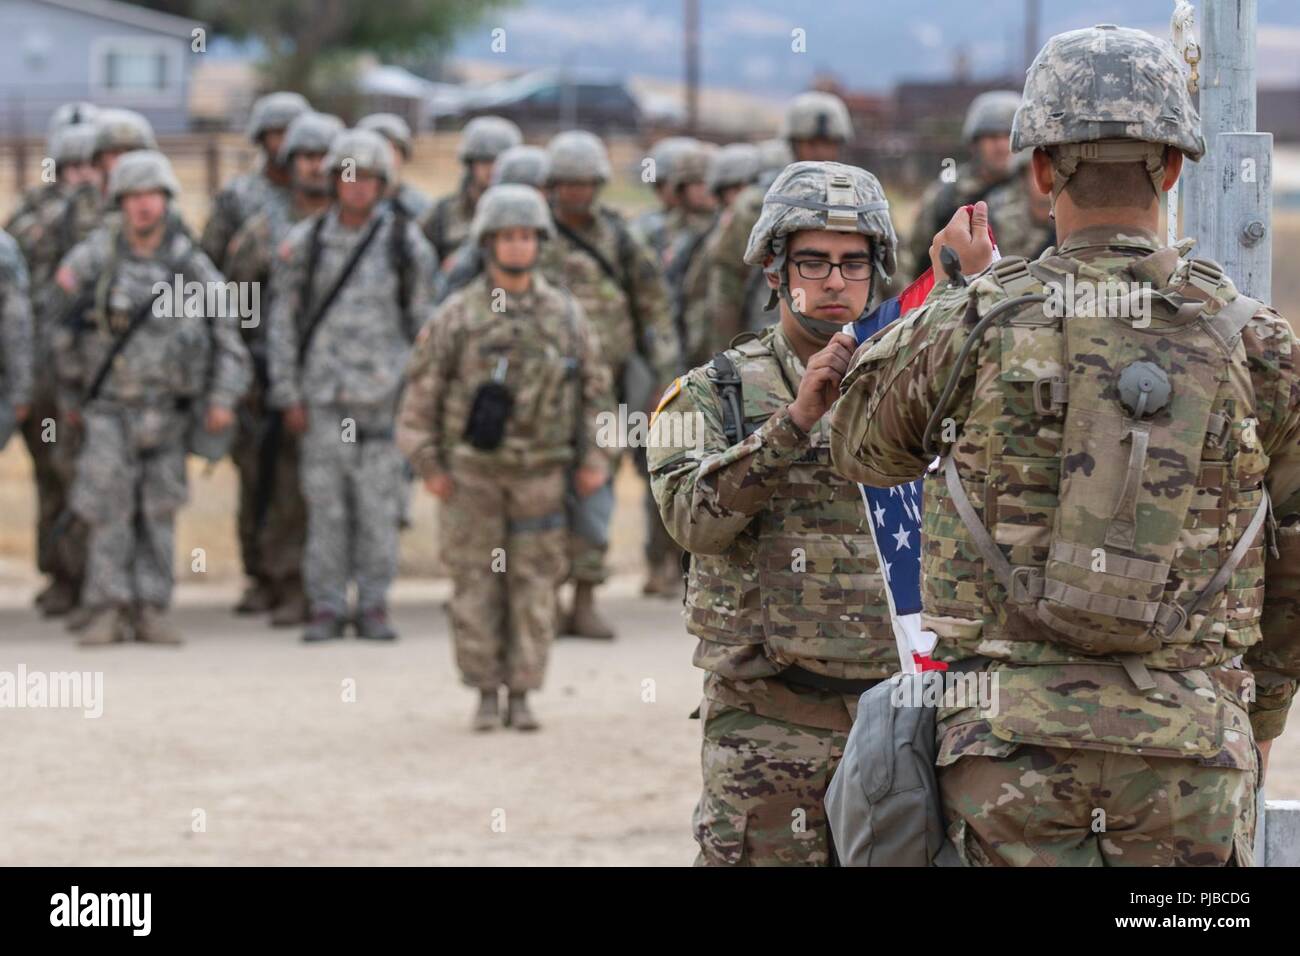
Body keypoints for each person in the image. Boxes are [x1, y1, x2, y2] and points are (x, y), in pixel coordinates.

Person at [830, 24, 1300, 866]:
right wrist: (1255, 720)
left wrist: (952, 295)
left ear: (1042, 172)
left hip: (1004, 753)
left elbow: (862, 448)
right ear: (1173, 167)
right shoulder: (1259, 344)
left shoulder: (974, 323)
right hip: (1193, 751)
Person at [648, 161, 902, 865]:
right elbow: (689, 521)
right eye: (812, 261)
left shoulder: (918, 383)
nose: (833, 282)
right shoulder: (704, 395)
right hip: (768, 723)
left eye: (854, 264)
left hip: (895, 716)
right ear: (773, 269)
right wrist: (791, 424)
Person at [398, 184, 614, 730]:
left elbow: (596, 391)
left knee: (535, 585)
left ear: (539, 243)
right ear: (487, 242)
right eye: (506, 237)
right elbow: (422, 392)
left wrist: (595, 458)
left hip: (540, 475)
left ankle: (522, 692)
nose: (517, 247)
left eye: (525, 237)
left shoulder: (564, 313)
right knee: (475, 584)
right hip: (471, 477)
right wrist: (429, 464)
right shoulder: (459, 314)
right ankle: (485, 692)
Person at [52, 150, 250, 645]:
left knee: (159, 510)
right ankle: (107, 607)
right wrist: (74, 385)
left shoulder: (194, 267)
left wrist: (222, 398)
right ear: (120, 202)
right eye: (134, 196)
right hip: (109, 409)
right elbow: (56, 326)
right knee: (107, 509)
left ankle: (151, 607)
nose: (144, 206)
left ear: (167, 200)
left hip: (170, 411)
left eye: (153, 196)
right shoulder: (95, 258)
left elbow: (229, 336)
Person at [266, 129, 436, 643]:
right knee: (326, 508)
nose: (357, 186)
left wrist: (417, 397)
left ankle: (375, 604)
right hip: (323, 401)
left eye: (368, 178)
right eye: (348, 176)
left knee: (378, 509)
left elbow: (426, 327)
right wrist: (287, 393)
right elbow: (282, 325)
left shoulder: (407, 244)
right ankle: (326, 604)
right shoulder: (305, 243)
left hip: (384, 401)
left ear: (383, 183)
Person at [538, 130, 679, 639]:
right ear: (552, 185)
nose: (577, 193)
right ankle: (546, 597)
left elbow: (654, 308)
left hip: (607, 389)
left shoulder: (620, 238)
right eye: (567, 184)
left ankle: (585, 595)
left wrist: (665, 377)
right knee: (544, 492)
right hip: (543, 389)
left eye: (586, 183)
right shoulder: (532, 235)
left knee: (596, 488)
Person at [222, 111, 343, 626]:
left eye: (324, 158)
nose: (315, 168)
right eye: (306, 157)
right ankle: (276, 577)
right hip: (272, 374)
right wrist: (250, 364)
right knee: (271, 480)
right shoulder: (262, 228)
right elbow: (236, 297)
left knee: (330, 488)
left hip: (341, 381)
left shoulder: (359, 224)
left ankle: (329, 586)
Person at [706, 93, 850, 347]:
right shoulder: (758, 203)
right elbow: (728, 280)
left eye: (829, 143)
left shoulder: (861, 199)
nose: (821, 152)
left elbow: (891, 274)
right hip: (770, 341)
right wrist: (727, 354)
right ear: (793, 144)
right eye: (811, 143)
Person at [902, 89, 1018, 281]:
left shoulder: (1039, 192)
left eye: (1009, 136)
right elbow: (914, 259)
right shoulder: (947, 194)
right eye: (992, 136)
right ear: (974, 143)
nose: (1001, 145)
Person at [201, 91, 310, 272]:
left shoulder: (318, 194)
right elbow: (210, 259)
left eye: (294, 132)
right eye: (277, 133)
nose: (287, 142)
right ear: (261, 138)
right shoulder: (237, 194)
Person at [421, 115, 522, 265]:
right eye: (485, 160)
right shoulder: (445, 211)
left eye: (500, 162)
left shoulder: (523, 211)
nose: (493, 168)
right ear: (470, 164)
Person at [357, 112, 434, 221]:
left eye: (392, 149)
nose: (385, 158)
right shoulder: (345, 204)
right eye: (376, 150)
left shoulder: (419, 206)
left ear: (403, 155)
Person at [985, 148, 1054, 262]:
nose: (1046, 176)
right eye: (1037, 170)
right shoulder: (1001, 220)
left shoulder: (1075, 218)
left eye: (1052, 169)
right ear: (1023, 177)